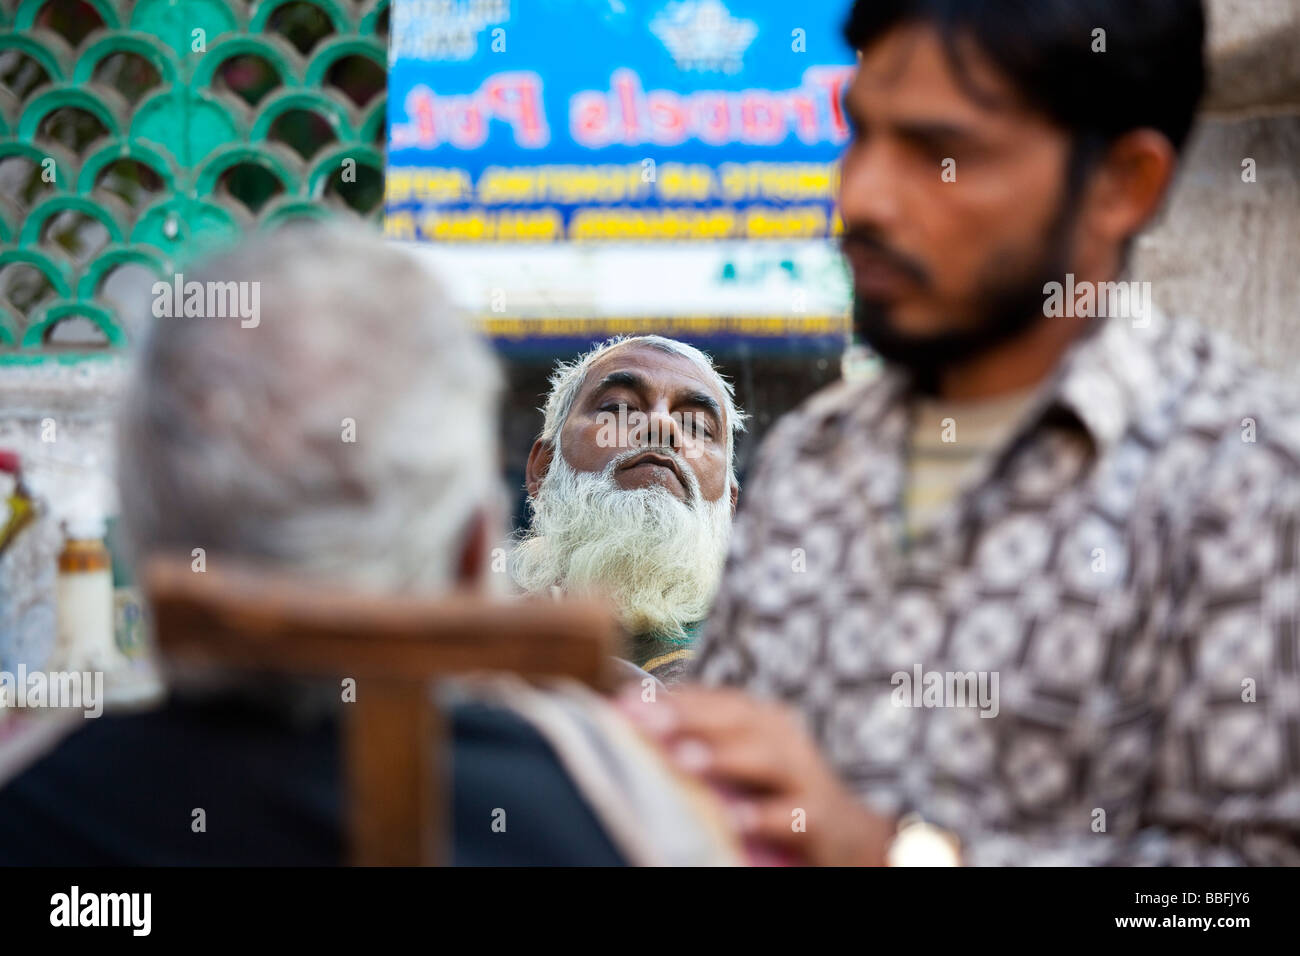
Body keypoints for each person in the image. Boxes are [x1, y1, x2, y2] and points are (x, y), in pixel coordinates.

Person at [619, 0, 1300, 865]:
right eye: (858, 134)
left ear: (1123, 185)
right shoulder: (811, 461)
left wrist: (895, 854)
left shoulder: (1247, 479)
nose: (861, 195)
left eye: (939, 155)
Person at [0, 227, 722, 866]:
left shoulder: (34, 811)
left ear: (135, 532)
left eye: (697, 424)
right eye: (620, 410)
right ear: (478, 548)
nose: (656, 433)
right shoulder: (645, 823)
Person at [512, 335, 744, 685]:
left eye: (696, 426)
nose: (662, 427)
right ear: (543, 469)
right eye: (618, 409)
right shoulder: (475, 650)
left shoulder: (771, 662)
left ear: (729, 505)